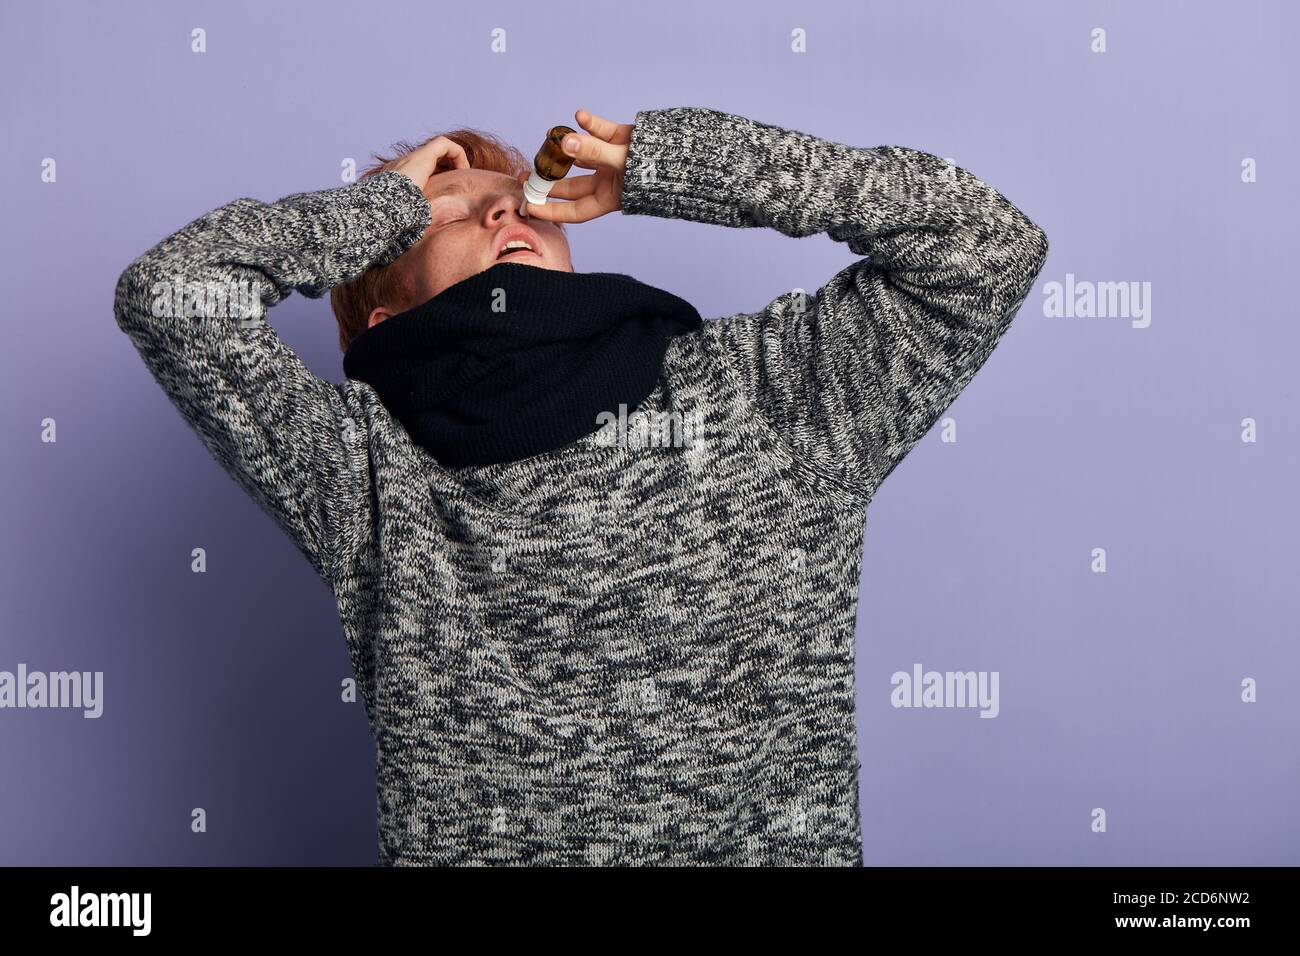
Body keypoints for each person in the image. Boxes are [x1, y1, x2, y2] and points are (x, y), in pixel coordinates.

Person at [114, 106, 1048, 866]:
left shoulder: (765, 391)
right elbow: (171, 292)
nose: (498, 213)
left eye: (516, 200)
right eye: (449, 211)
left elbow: (986, 244)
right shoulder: (363, 471)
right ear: (379, 313)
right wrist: (375, 209)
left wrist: (680, 165)